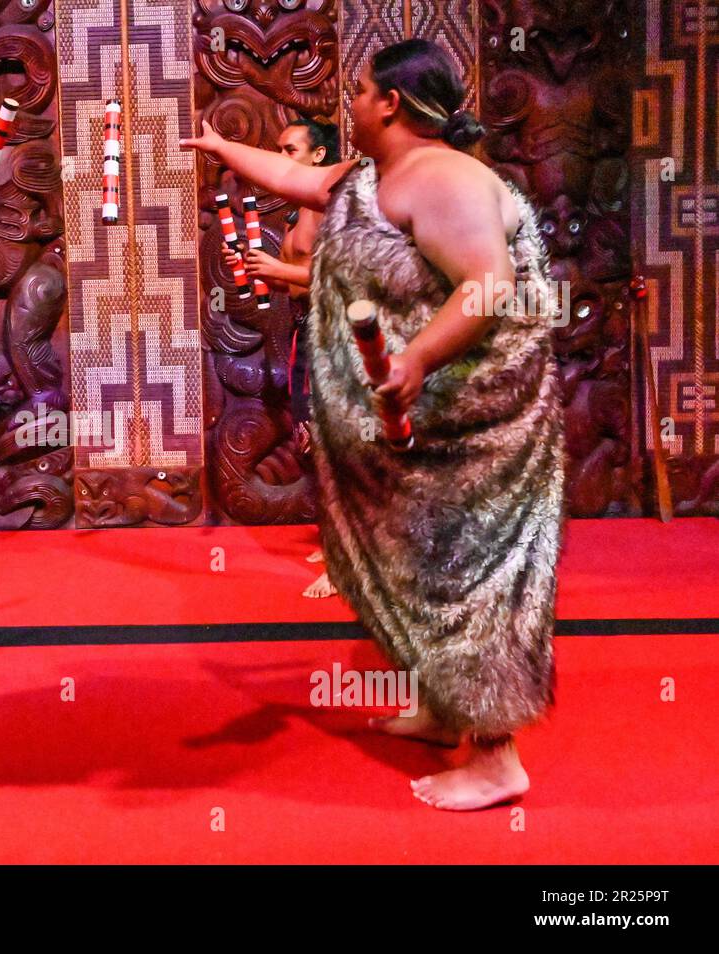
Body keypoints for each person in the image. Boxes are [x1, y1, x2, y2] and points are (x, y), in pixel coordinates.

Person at [183, 39, 564, 810]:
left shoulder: (447, 179)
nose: (346, 102)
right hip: (408, 419)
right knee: (409, 568)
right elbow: (299, 177)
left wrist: (417, 360)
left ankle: (497, 757)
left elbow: (487, 286)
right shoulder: (372, 176)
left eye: (356, 89)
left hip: (468, 422)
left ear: (389, 101)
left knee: (460, 577)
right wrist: (223, 148)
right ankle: (440, 710)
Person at [221, 118, 340, 599]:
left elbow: (342, 278)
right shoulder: (295, 214)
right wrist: (262, 273)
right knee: (309, 440)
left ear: (318, 157)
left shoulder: (335, 210)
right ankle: (333, 539)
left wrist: (277, 267)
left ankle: (346, 560)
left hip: (333, 336)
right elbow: (294, 281)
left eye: (290, 150)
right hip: (302, 331)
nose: (280, 158)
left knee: (334, 448)